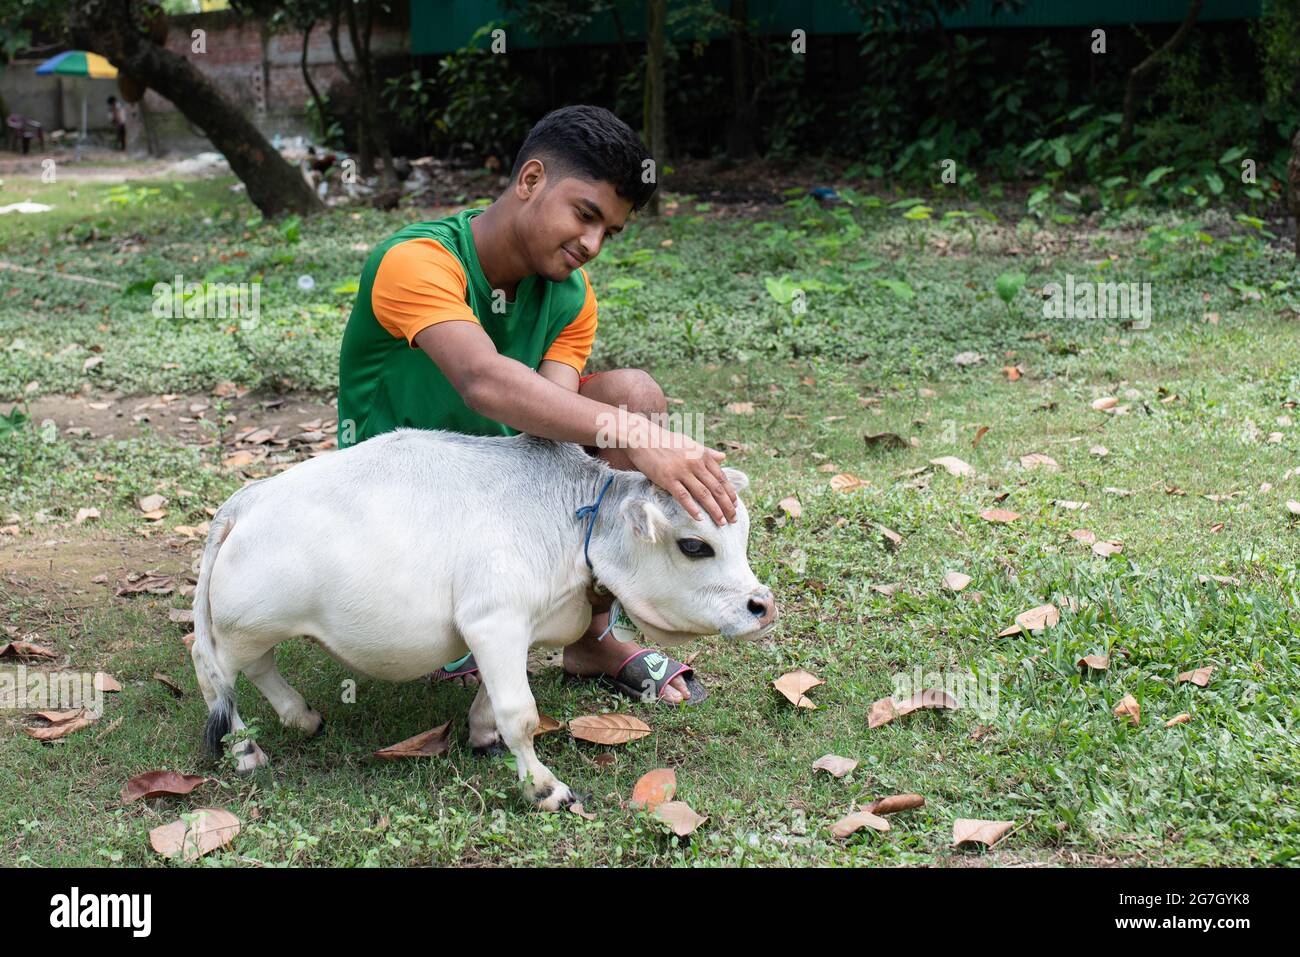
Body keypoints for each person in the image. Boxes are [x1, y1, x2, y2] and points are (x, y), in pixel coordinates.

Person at [337, 105, 736, 704]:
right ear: (530, 181)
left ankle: (590, 634)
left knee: (634, 394)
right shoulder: (417, 261)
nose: (593, 243)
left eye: (610, 232)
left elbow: (547, 423)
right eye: (585, 215)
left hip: (500, 489)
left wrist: (632, 427)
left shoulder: (570, 295)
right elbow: (484, 381)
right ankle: (459, 612)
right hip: (399, 498)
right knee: (627, 417)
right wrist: (641, 438)